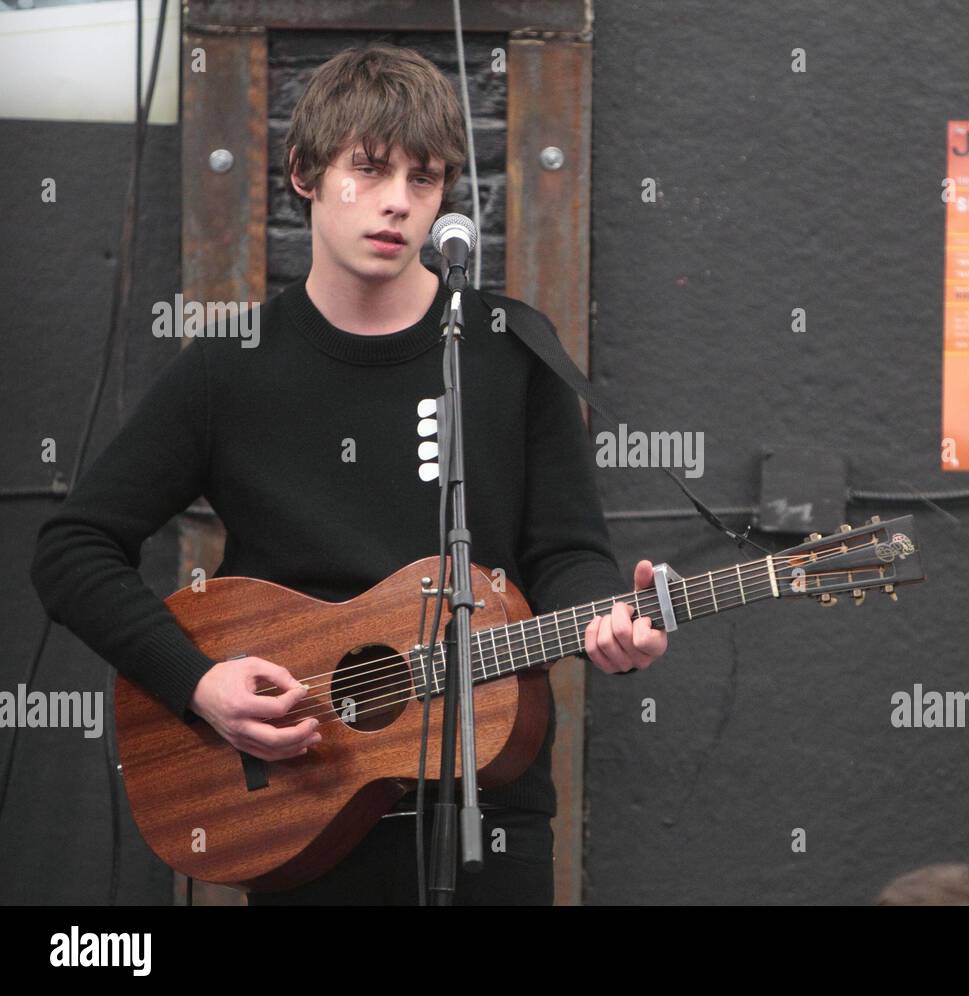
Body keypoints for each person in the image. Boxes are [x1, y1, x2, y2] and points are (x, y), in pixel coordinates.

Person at [29, 42, 667, 905]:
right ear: (304, 173)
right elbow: (73, 548)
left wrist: (610, 621)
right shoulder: (234, 367)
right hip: (306, 800)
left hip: (490, 809)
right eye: (368, 171)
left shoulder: (510, 351)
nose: (397, 203)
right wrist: (198, 683)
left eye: (425, 178)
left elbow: (567, 553)